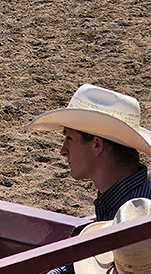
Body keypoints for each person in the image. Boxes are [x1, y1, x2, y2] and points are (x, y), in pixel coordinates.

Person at [28, 84, 151, 274]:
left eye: (69, 138)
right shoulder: (126, 197)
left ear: (96, 144)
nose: (62, 150)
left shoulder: (132, 213)